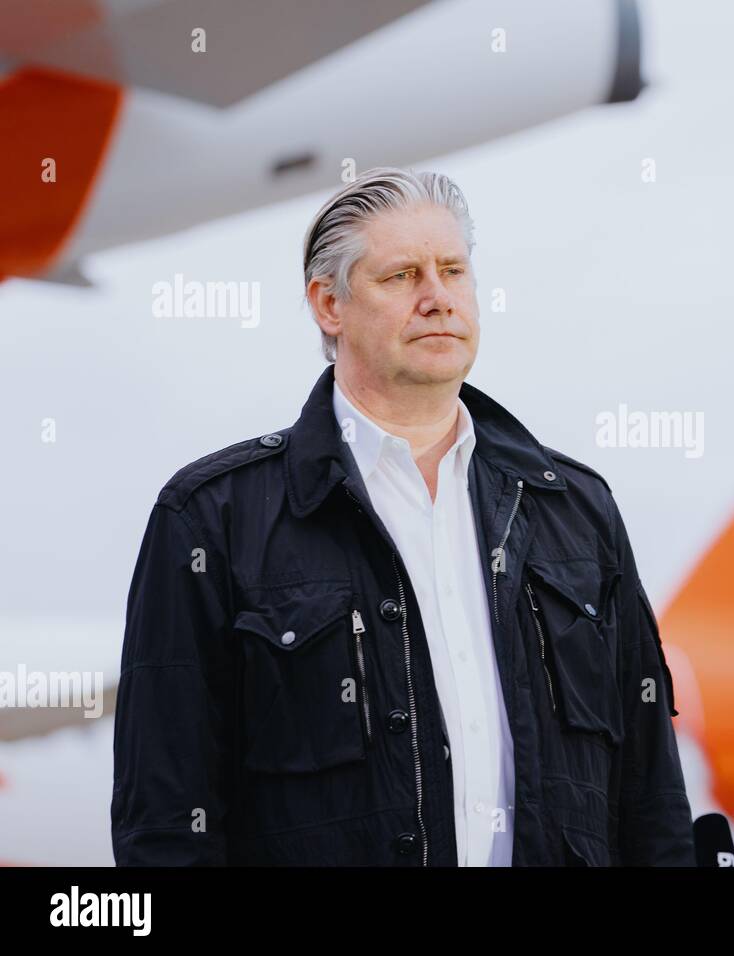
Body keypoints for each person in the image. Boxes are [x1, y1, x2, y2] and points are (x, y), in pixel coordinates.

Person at [110, 166, 694, 866]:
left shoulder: (576, 509)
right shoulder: (210, 518)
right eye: (402, 277)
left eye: (453, 271)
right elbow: (166, 823)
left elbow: (653, 804)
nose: (438, 298)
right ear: (329, 305)